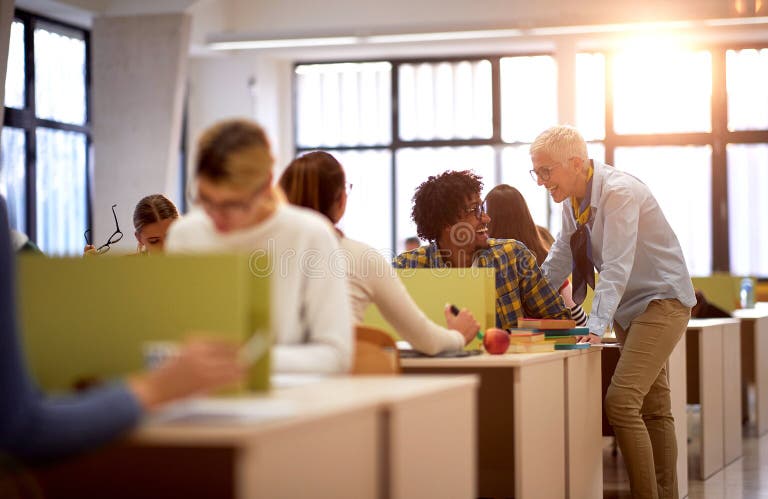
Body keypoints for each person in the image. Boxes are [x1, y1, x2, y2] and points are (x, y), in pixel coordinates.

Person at [0, 196, 244, 461]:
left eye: (172, 236)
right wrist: (155, 387)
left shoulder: (202, 271)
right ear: (139, 239)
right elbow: (23, 425)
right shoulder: (123, 275)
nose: (165, 247)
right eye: (154, 241)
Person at [530, 125, 696, 498]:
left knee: (621, 403)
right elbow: (561, 253)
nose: (540, 181)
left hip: (661, 301)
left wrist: (596, 324)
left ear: (574, 163)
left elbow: (617, 264)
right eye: (536, 172)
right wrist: (531, 295)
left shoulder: (618, 193)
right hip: (629, 308)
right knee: (654, 407)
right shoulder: (575, 199)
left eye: (546, 171)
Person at [166, 119, 352, 374]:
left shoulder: (309, 234)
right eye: (206, 200)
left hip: (293, 402)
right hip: (199, 399)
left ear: (266, 186)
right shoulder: (185, 235)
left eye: (233, 205)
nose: (217, 217)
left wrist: (241, 361)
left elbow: (337, 354)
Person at [278, 151, 480, 355]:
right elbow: (426, 339)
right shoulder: (363, 258)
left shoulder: (261, 256)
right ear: (340, 201)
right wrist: (458, 336)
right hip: (338, 380)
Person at [393, 170, 570, 330]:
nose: (486, 218)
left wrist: (518, 337)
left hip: (505, 364)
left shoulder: (512, 256)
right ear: (447, 223)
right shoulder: (407, 267)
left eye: (482, 208)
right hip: (437, 365)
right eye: (474, 210)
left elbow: (558, 320)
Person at [485, 184, 588, 327]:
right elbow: (579, 320)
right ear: (524, 214)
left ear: (488, 218)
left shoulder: (483, 265)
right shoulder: (546, 257)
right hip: (553, 344)